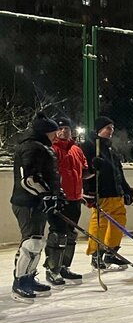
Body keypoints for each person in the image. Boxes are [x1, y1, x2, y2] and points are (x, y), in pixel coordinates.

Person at [10, 113, 65, 301]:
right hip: (27, 202)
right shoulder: (31, 147)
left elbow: (48, 175)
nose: (56, 136)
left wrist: (56, 194)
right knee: (31, 241)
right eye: (53, 133)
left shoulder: (41, 147)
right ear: (45, 132)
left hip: (37, 202)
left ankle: (29, 277)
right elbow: (30, 178)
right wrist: (46, 194)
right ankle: (20, 282)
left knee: (37, 241)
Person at [81, 115, 133, 270]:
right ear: (99, 129)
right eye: (107, 128)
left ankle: (111, 252)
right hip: (101, 193)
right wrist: (88, 190)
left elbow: (118, 171)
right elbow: (84, 171)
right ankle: (96, 253)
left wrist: (126, 189)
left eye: (112, 128)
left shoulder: (110, 148)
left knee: (119, 222)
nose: (111, 131)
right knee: (100, 223)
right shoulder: (89, 147)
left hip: (115, 192)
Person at [43, 116, 88, 286]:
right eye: (60, 128)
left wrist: (95, 170)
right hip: (59, 199)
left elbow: (84, 171)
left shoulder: (76, 149)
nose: (63, 131)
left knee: (70, 235)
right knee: (58, 234)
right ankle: (52, 269)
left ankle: (64, 266)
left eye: (66, 128)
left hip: (75, 198)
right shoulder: (51, 150)